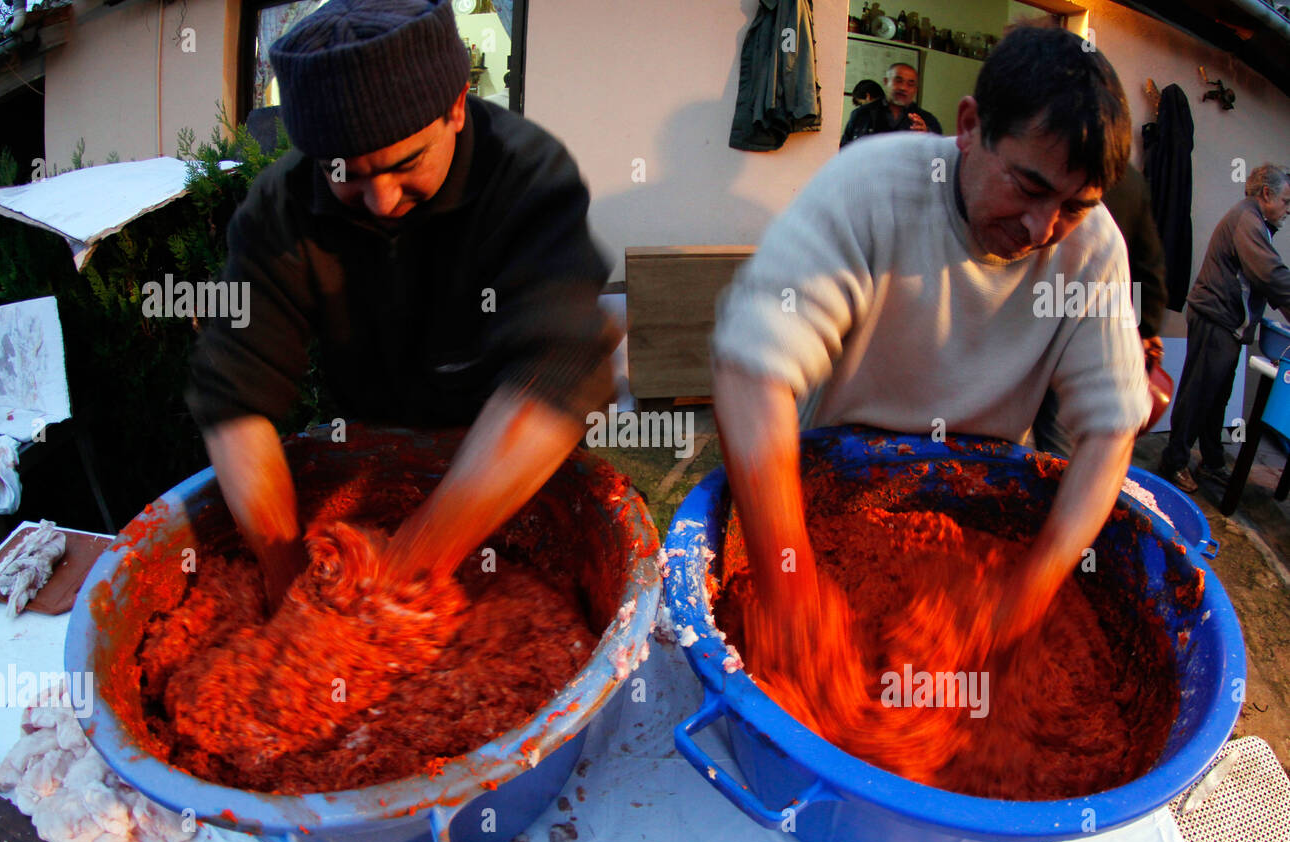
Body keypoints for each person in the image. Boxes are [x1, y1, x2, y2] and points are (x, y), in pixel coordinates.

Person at [712, 26, 1148, 643]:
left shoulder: (1096, 249)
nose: (1041, 229)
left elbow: (1109, 431)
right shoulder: (868, 187)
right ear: (969, 126)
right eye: (1029, 187)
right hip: (823, 499)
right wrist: (790, 593)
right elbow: (751, 369)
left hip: (980, 504)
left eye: (1074, 206)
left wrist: (1028, 590)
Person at [185, 0, 618, 606]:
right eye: (349, 178)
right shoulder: (278, 211)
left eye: (406, 164)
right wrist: (290, 591)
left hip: (514, 470)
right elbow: (236, 398)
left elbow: (559, 367)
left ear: (457, 106)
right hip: (371, 451)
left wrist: (408, 566)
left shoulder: (525, 173)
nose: (382, 201)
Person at [1158, 164, 1290, 492]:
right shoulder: (1249, 220)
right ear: (1266, 194)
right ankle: (1172, 462)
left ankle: (1212, 460)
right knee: (1199, 394)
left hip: (1225, 324)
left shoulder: (1254, 221)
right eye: (1286, 201)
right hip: (1215, 319)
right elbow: (1270, 274)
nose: (1288, 209)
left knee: (1217, 397)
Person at [1033, 162, 1169, 456]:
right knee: (1059, 431)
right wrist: (1144, 329)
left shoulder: (1047, 152)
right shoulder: (1131, 181)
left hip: (1033, 309)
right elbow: (1148, 265)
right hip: (1085, 321)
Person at [840, 62, 942, 146]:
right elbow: (843, 155)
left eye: (910, 84)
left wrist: (928, 137)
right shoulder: (861, 115)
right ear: (886, 81)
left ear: (916, 89)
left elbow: (940, 162)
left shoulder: (928, 121)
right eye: (898, 81)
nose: (903, 88)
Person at [839, 79, 886, 147]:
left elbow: (845, 145)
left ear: (868, 96)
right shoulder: (896, 112)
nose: (861, 107)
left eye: (861, 103)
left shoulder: (859, 113)